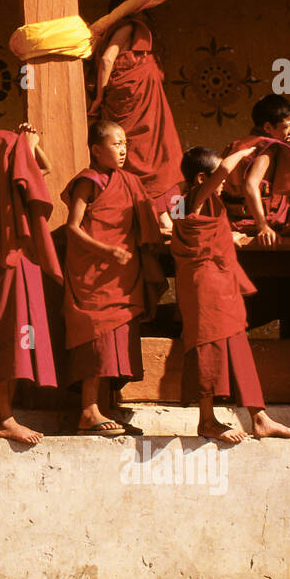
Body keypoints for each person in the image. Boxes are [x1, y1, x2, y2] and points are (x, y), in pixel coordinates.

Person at [172, 146, 290, 442]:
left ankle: (259, 418)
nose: (224, 183)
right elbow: (224, 171)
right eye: (217, 178)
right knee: (208, 347)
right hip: (204, 285)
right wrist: (254, 145)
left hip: (220, 284)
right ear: (201, 178)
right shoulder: (193, 197)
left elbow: (200, 231)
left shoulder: (203, 203)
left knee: (238, 348)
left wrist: (231, 238)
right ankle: (207, 420)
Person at [0, 123, 63, 445]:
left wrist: (28, 145)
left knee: (22, 341)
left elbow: (43, 168)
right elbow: (34, 176)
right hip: (10, 265)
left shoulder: (0, 184)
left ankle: (7, 416)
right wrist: (26, 144)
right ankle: (3, 418)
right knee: (8, 339)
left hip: (21, 264)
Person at [61, 120, 166, 436]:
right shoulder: (87, 181)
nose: (123, 149)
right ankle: (87, 410)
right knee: (96, 339)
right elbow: (72, 227)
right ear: (96, 149)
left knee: (115, 343)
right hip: (95, 274)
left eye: (124, 144)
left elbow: (145, 220)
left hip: (121, 275)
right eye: (116, 143)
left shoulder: (131, 182)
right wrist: (106, 251)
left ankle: (104, 410)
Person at [87, 13, 184, 231]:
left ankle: (166, 218)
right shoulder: (128, 27)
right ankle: (163, 218)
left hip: (137, 105)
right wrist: (100, 98)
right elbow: (106, 60)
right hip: (136, 106)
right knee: (156, 158)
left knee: (153, 157)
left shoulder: (114, 35)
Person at [221, 94, 290, 246]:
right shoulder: (267, 148)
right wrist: (263, 226)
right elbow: (251, 185)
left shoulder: (236, 145)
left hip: (234, 219)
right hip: (259, 220)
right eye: (287, 126)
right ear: (268, 127)